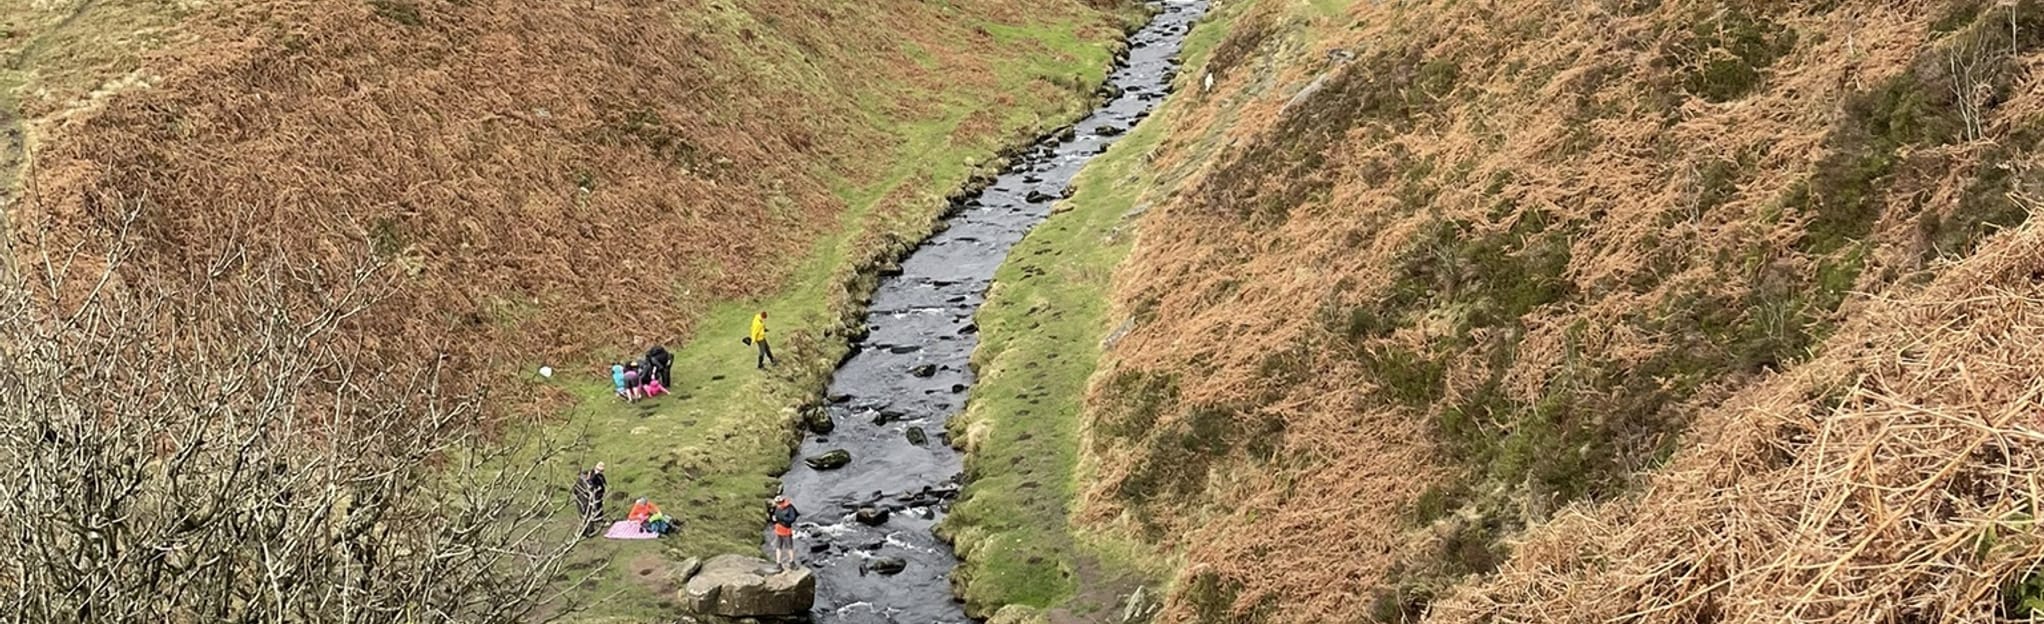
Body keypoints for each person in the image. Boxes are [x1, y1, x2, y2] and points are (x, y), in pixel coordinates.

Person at [768, 495, 799, 570]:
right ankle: (778, 564)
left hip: (786, 530)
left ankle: (792, 563)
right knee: (778, 547)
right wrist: (774, 519)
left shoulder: (789, 508)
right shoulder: (777, 508)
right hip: (778, 530)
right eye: (777, 503)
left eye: (779, 503)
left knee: (789, 547)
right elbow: (774, 517)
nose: (778, 505)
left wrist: (782, 518)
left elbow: (792, 519)